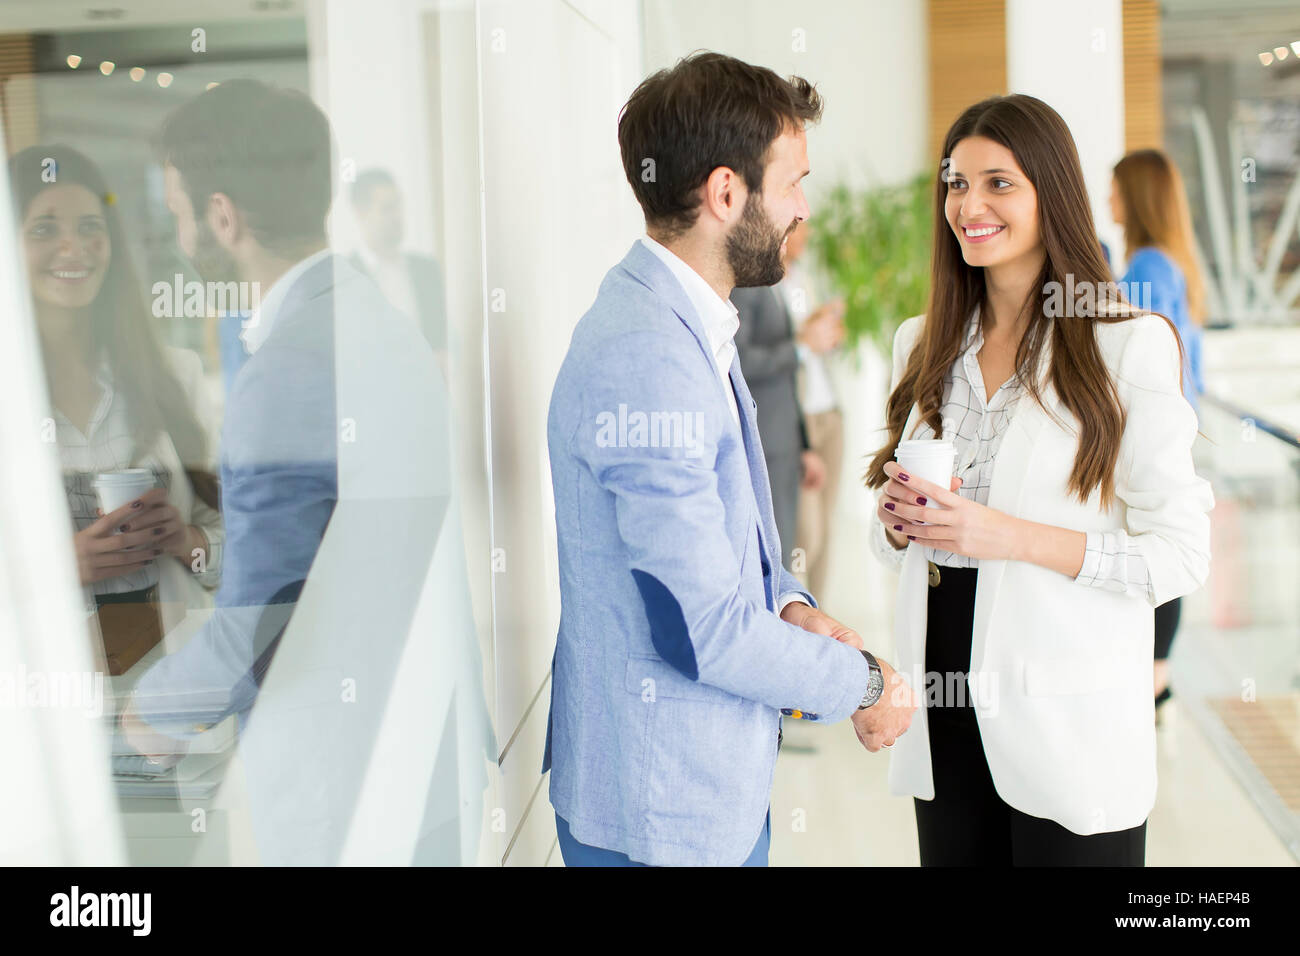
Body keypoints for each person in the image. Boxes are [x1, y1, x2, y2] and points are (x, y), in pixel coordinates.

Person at [543, 52, 918, 867]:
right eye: (792, 184)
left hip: (694, 793)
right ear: (724, 194)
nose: (802, 209)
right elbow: (701, 631)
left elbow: (722, 550)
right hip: (662, 815)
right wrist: (861, 680)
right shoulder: (648, 355)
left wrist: (791, 606)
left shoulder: (683, 324)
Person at [865, 94, 1213, 866]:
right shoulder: (921, 345)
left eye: (998, 183)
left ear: (1050, 192)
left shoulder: (1126, 346)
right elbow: (894, 551)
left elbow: (1180, 555)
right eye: (956, 183)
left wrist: (1008, 537)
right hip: (945, 716)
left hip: (1069, 733)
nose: (968, 204)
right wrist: (895, 523)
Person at [10, 145, 223, 675]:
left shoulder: (174, 375)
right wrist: (56, 567)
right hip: (46, 705)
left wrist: (186, 540)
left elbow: (237, 541)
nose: (73, 246)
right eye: (43, 229)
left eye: (90, 226)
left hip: (174, 691)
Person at [1110, 148, 1208, 719]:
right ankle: (1159, 677)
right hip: (1180, 420)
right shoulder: (1172, 262)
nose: (1108, 200)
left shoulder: (1146, 266)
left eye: (1117, 189)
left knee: (1155, 542)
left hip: (1153, 423)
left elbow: (1131, 351)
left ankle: (1155, 678)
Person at [782, 220, 846, 596]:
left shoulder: (804, 280)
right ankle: (797, 604)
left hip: (829, 412)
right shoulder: (761, 286)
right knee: (809, 528)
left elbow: (817, 344)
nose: (805, 237)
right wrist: (805, 338)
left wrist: (830, 332)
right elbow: (779, 350)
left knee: (829, 517)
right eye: (798, 229)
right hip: (799, 417)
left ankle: (821, 610)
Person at [347, 168, 448, 371]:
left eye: (399, 206)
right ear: (361, 213)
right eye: (387, 208)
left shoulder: (427, 271)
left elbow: (441, 343)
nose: (397, 216)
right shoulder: (344, 277)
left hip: (426, 393)